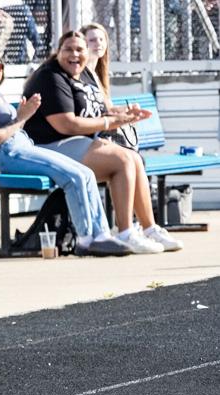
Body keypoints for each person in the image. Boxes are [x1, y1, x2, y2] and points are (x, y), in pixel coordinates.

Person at [0, 48, 131, 256]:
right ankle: (85, 239)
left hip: (24, 148)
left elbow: (12, 126)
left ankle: (101, 235)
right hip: (10, 154)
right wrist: (22, 117)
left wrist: (21, 116)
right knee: (72, 177)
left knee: (85, 172)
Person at [22, 30, 183, 253]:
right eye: (68, 49)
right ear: (58, 52)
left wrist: (126, 114)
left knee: (134, 158)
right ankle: (125, 233)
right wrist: (109, 123)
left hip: (77, 143)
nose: (74, 54)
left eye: (79, 50)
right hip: (49, 147)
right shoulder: (50, 77)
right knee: (122, 160)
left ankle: (149, 228)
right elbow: (66, 125)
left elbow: (102, 110)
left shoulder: (85, 74)